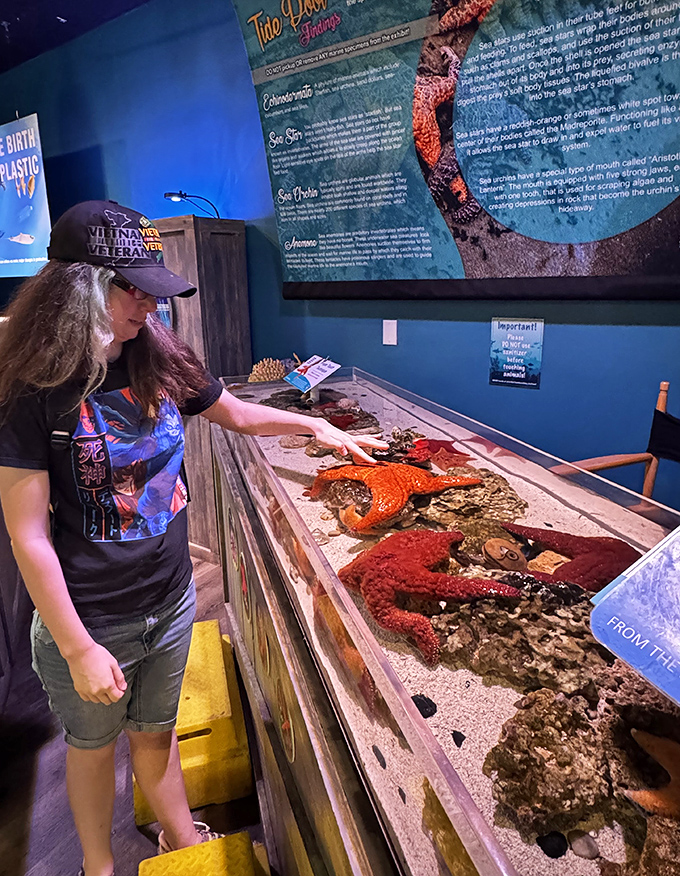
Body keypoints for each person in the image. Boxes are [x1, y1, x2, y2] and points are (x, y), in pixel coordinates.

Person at [0, 200, 387, 876]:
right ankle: (98, 865)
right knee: (91, 749)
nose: (148, 306)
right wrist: (77, 646)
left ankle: (181, 839)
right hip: (90, 616)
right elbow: (27, 535)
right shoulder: (32, 388)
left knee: (157, 732)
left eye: (153, 291)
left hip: (170, 598)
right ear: (79, 288)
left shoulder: (156, 353)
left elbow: (232, 412)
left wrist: (314, 428)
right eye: (133, 290)